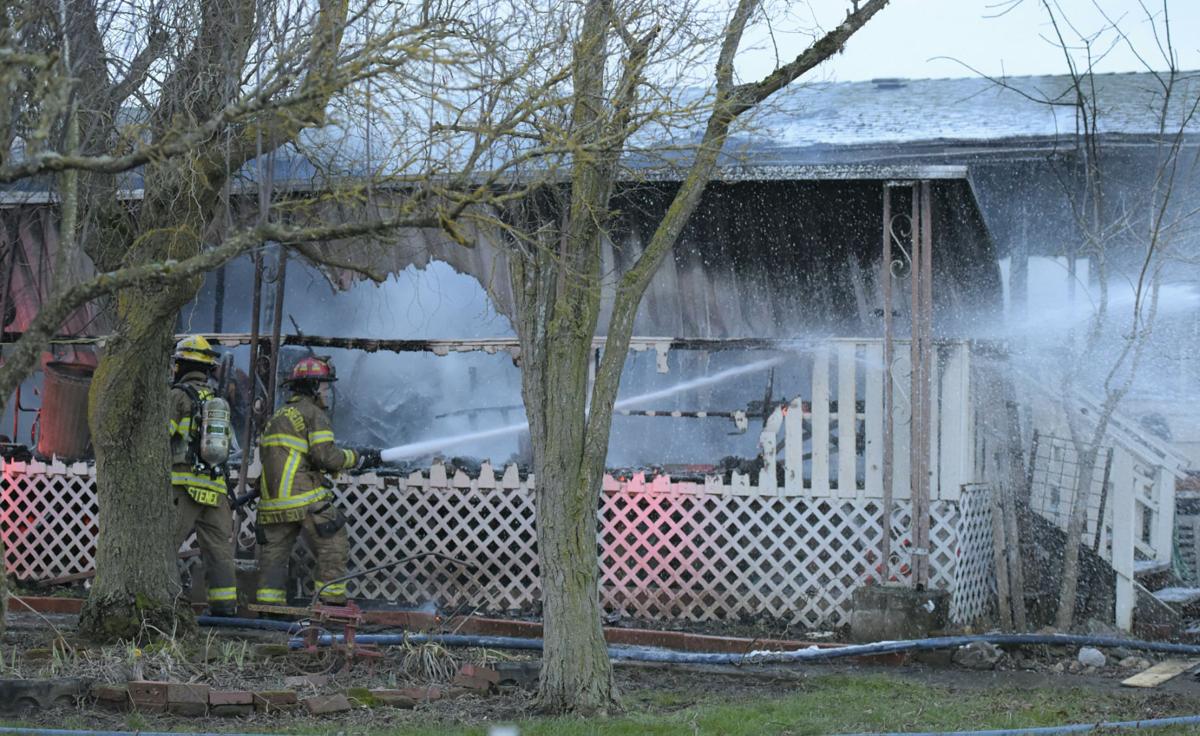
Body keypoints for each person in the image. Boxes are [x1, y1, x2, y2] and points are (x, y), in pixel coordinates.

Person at [254, 355, 381, 606]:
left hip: (273, 502)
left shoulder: (278, 416)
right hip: (304, 497)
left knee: (274, 557)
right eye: (324, 386)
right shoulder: (314, 414)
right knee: (334, 544)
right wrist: (356, 458)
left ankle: (269, 608)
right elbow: (326, 457)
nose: (327, 392)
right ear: (312, 387)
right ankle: (331, 603)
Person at [169, 335, 237, 615]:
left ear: (181, 366)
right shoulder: (217, 401)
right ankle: (225, 609)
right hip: (215, 489)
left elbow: (161, 436)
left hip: (183, 485)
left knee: (163, 546)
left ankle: (167, 605)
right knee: (219, 552)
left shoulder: (177, 396)